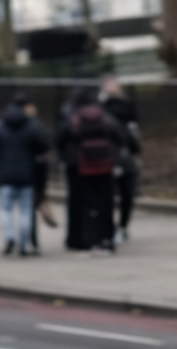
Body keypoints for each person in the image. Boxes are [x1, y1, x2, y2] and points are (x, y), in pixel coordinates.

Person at [57, 86, 130, 255]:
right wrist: (113, 156)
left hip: (81, 168)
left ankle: (89, 239)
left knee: (86, 205)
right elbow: (121, 137)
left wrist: (68, 158)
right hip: (105, 166)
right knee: (106, 204)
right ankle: (108, 239)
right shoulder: (104, 117)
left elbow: (60, 139)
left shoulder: (73, 118)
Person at [0, 91, 51, 257]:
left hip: (4, 175)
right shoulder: (31, 125)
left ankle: (9, 237)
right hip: (26, 174)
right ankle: (23, 245)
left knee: (5, 210)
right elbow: (44, 144)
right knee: (25, 211)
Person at [99, 74, 141, 245]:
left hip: (124, 153)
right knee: (107, 193)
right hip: (108, 154)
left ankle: (122, 226)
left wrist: (136, 151)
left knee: (127, 193)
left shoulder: (126, 105)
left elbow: (134, 130)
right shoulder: (101, 106)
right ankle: (109, 227)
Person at [25, 96, 58, 253]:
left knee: (31, 202)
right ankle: (45, 211)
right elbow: (46, 143)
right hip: (37, 168)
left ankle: (30, 240)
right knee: (35, 198)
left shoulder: (16, 125)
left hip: (27, 170)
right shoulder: (35, 126)